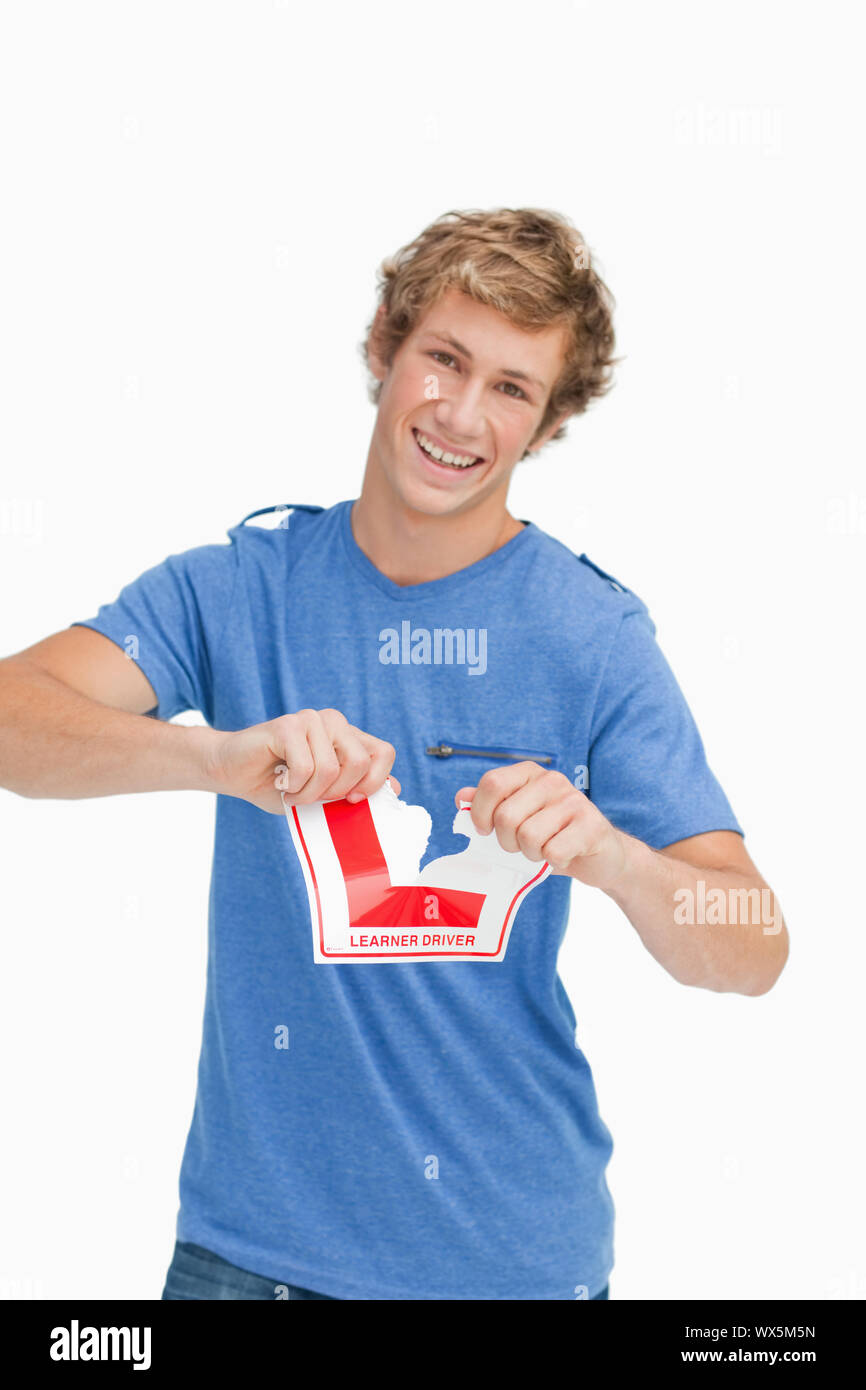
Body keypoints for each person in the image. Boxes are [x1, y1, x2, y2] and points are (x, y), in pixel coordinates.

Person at [0, 207, 788, 1301]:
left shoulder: (592, 637)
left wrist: (614, 858)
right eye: (444, 359)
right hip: (246, 1263)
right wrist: (213, 758)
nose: (460, 414)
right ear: (384, 343)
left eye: (510, 387)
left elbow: (753, 945)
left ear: (549, 421)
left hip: (508, 1271)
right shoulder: (239, 587)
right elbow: (15, 719)